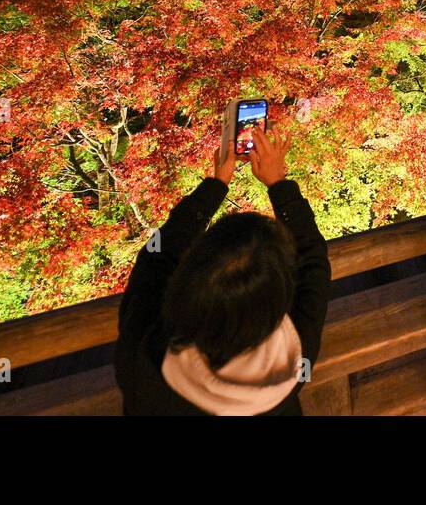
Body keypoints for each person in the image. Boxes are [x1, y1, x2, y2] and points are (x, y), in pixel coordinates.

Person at [114, 125, 330, 415]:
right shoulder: (294, 367)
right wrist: (278, 182)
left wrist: (216, 185)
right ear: (279, 300)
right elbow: (314, 260)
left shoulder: (143, 355)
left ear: (189, 278)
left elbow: (155, 252)